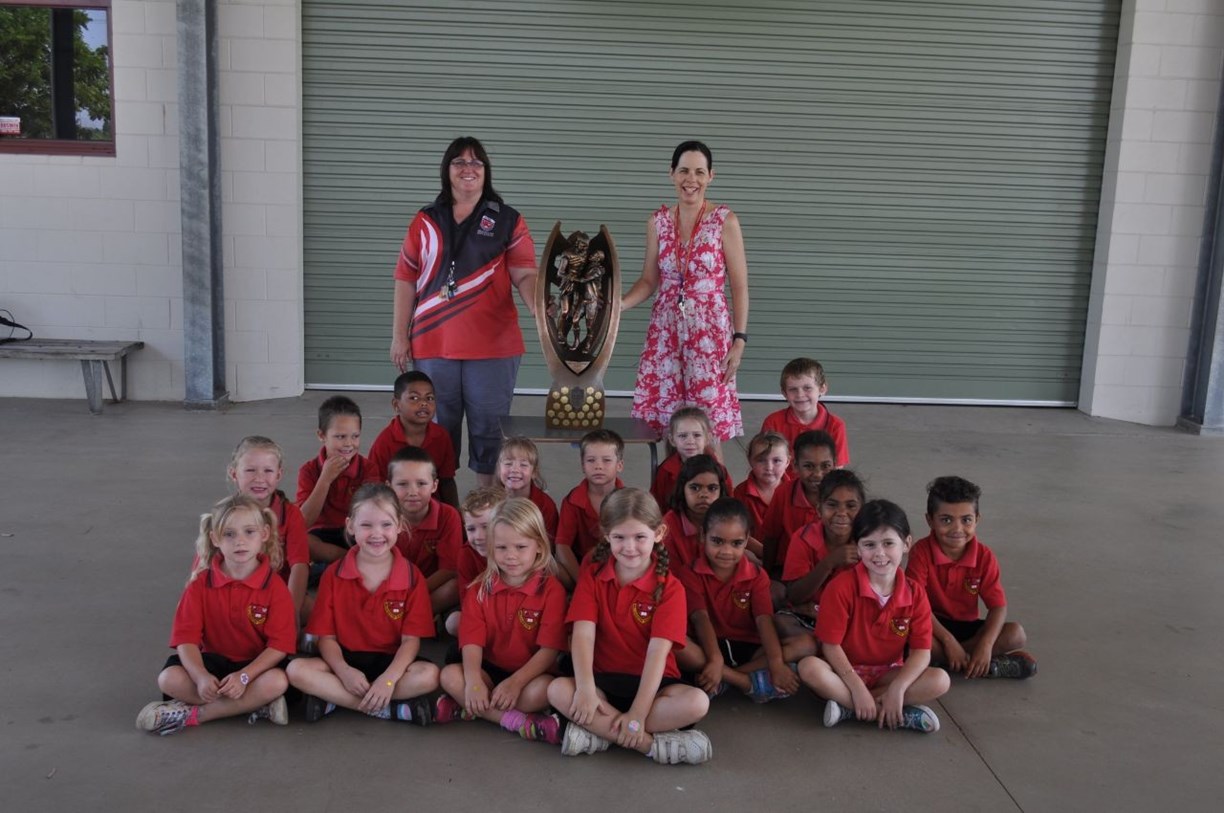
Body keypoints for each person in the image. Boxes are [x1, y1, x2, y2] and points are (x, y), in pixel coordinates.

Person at [391, 136, 537, 488]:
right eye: (459, 162)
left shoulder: (508, 221)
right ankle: (446, 511)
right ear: (447, 170)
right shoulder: (425, 221)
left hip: (493, 347)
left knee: (489, 430)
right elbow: (405, 279)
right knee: (438, 433)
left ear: (486, 172)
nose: (468, 168)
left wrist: (539, 308)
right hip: (432, 343)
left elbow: (525, 273)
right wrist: (399, 336)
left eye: (476, 162)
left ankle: (485, 509)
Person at [547, 488, 713, 764]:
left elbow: (657, 653)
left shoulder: (671, 589)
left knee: (697, 702)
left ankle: (598, 732)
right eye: (619, 537)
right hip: (602, 683)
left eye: (640, 537)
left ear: (659, 533)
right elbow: (583, 636)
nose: (630, 547)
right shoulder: (593, 575)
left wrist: (638, 712)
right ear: (605, 535)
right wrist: (586, 689)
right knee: (556, 690)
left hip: (654, 687)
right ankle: (650, 746)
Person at [623, 140, 749, 452]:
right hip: (666, 335)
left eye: (698, 172)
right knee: (672, 426)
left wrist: (739, 340)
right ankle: (671, 496)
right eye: (683, 171)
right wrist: (618, 306)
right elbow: (649, 280)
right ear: (671, 174)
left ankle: (715, 497)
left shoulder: (724, 221)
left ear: (710, 176)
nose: (690, 179)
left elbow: (740, 286)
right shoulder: (658, 221)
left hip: (709, 337)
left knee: (706, 431)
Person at [136, 496, 294, 735]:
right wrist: (200, 677)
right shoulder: (199, 584)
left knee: (278, 682)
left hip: (254, 667)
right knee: (168, 678)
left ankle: (195, 715)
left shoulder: (275, 586)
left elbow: (279, 647)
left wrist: (244, 677)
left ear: (264, 534)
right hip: (210, 663)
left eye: (249, 532)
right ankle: (253, 706)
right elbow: (186, 639)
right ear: (215, 539)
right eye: (229, 534)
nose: (239, 541)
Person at [287, 484, 440, 724]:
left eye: (386, 525)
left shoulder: (412, 576)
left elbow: (411, 642)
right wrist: (343, 672)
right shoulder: (334, 574)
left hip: (391, 660)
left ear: (399, 525)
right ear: (350, 526)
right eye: (366, 525)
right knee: (296, 671)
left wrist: (388, 680)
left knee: (429, 676)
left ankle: (336, 698)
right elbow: (326, 638)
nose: (376, 534)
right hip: (344, 659)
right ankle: (389, 709)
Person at [797, 500, 950, 733]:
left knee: (940, 680)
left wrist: (898, 688)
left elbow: (921, 652)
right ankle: (890, 712)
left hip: (888, 673)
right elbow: (830, 646)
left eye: (889, 543)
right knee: (809, 667)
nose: (879, 554)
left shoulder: (914, 592)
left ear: (906, 543)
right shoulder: (840, 587)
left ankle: (853, 709)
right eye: (869, 545)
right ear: (857, 548)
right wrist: (857, 688)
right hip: (843, 670)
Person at [436, 498, 567, 745]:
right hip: (489, 670)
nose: (511, 557)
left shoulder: (552, 591)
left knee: (546, 691)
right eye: (502, 548)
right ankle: (518, 722)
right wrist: (474, 681)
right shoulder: (479, 588)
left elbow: (549, 650)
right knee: (450, 676)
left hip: (529, 676)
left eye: (520, 547)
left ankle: (471, 708)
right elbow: (472, 640)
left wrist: (515, 683)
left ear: (539, 546)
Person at [906, 476, 1036, 679]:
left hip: (967, 628)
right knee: (907, 634)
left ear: (977, 520)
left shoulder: (984, 556)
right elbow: (915, 606)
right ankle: (982, 666)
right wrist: (949, 642)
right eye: (946, 520)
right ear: (930, 520)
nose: (957, 529)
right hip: (931, 624)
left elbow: (998, 607)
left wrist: (986, 645)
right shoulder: (920, 553)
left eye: (966, 520)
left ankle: (956, 662)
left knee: (1016, 634)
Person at [674, 498, 801, 703]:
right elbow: (700, 618)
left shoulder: (757, 575)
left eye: (736, 543)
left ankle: (723, 677)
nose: (726, 551)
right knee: (673, 643)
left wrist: (776, 663)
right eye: (717, 541)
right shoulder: (689, 573)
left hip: (748, 647)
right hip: (707, 646)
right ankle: (746, 683)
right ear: (702, 536)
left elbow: (763, 620)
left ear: (747, 540)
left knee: (807, 643)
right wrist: (715, 659)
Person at [777, 469, 866, 647]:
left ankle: (823, 650)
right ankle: (830, 650)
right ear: (819, 509)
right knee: (781, 622)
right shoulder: (803, 537)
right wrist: (828, 563)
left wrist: (823, 612)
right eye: (832, 505)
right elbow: (795, 596)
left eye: (851, 506)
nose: (841, 513)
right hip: (808, 620)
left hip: (850, 621)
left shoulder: (868, 542)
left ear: (862, 510)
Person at [226, 436, 309, 620]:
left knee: (324, 612)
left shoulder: (291, 513)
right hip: (236, 593)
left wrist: (290, 612)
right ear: (234, 474)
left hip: (279, 594)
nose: (259, 478)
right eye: (250, 470)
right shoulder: (224, 515)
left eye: (268, 471)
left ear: (278, 475)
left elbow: (299, 566)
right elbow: (202, 568)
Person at [296, 396, 380, 573]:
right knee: (299, 539)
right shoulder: (309, 470)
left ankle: (333, 567)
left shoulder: (368, 468)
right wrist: (325, 479)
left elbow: (372, 513)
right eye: (340, 437)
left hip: (354, 532)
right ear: (321, 435)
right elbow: (303, 522)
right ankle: (350, 562)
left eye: (355, 436)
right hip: (321, 535)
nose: (349, 444)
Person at [366, 371, 459, 510]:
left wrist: (456, 514)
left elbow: (446, 480)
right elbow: (374, 489)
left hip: (432, 510)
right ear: (396, 405)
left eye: (429, 398)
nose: (423, 403)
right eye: (414, 398)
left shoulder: (441, 436)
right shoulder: (384, 442)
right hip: (395, 511)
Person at [387, 446, 463, 615]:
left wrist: (414, 591)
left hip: (430, 587)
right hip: (391, 588)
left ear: (434, 485)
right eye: (402, 484)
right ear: (389, 486)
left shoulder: (448, 515)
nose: (412, 492)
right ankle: (416, 619)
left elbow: (449, 569)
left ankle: (406, 618)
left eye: (421, 483)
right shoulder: (383, 517)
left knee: (456, 587)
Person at [554, 429, 625, 589]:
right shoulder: (572, 501)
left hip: (620, 564)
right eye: (591, 460)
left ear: (619, 465)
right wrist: (583, 582)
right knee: (550, 567)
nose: (598, 466)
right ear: (583, 466)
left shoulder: (628, 501)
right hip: (581, 568)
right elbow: (562, 546)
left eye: (606, 460)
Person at [758, 430, 837, 570]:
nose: (818, 474)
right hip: (789, 568)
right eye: (808, 466)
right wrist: (767, 576)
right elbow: (771, 537)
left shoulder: (842, 496)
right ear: (795, 466)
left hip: (831, 569)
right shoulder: (784, 493)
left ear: (835, 465)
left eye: (825, 466)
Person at [761, 358, 850, 467]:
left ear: (822, 389)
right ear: (784, 393)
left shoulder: (836, 425)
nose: (800, 395)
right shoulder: (773, 422)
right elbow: (767, 464)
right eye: (793, 389)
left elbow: (837, 469)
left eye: (807, 388)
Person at [443, 486, 506, 637]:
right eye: (471, 529)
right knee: (453, 622)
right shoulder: (466, 554)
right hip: (482, 612)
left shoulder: (516, 552)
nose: (478, 536)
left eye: (486, 527)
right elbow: (468, 602)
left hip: (516, 612)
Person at [650, 407, 733, 509]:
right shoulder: (665, 471)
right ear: (672, 440)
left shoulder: (720, 470)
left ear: (707, 438)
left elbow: (729, 506)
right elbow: (656, 506)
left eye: (697, 435)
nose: (690, 441)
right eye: (683, 436)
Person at [662, 454, 730, 570]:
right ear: (682, 489)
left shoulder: (727, 517)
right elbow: (672, 575)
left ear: (721, 491)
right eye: (695, 488)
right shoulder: (668, 526)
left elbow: (743, 540)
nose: (704, 495)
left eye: (712, 488)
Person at [496, 436, 559, 539]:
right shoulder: (491, 503)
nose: (515, 469)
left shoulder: (545, 505)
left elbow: (549, 545)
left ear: (534, 472)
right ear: (499, 470)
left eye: (523, 465)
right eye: (508, 463)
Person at [733, 431, 791, 535]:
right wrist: (762, 551)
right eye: (761, 460)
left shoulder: (796, 491)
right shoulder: (741, 493)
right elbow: (740, 532)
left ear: (787, 462)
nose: (769, 467)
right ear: (750, 461)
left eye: (776, 461)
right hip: (753, 550)